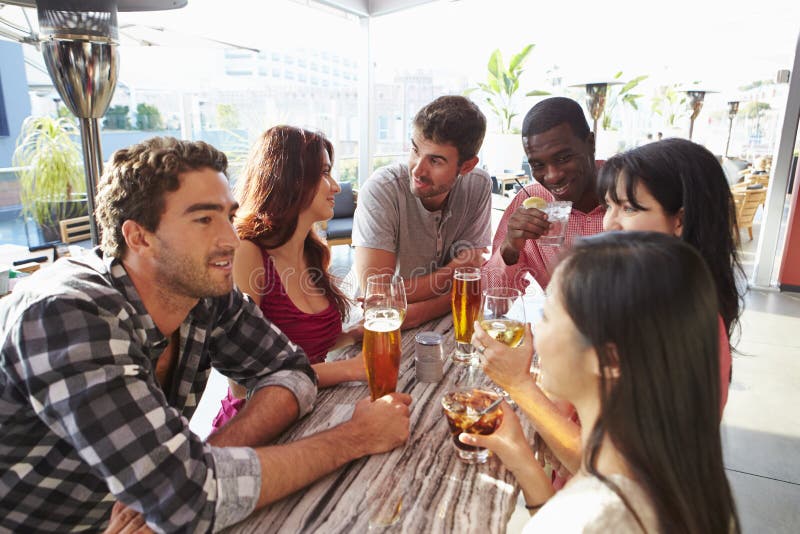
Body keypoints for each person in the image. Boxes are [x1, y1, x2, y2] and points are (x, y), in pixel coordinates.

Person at [0, 137, 411, 532]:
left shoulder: (200, 290)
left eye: (227, 216)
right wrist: (355, 437)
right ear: (138, 236)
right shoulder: (66, 314)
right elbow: (188, 500)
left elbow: (293, 370)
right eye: (203, 219)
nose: (231, 239)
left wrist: (203, 459)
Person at [478, 138, 743, 482]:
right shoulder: (646, 299)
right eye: (608, 207)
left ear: (680, 220)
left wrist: (519, 384)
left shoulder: (678, 326)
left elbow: (609, 472)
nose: (610, 224)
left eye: (629, 209)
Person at [468, 232, 740, 532]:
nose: (533, 332)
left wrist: (518, 384)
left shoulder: (594, 516)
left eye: (546, 316)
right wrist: (520, 454)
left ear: (608, 360)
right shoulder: (673, 475)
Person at [212, 126, 366, 431]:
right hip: (257, 425)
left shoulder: (312, 252)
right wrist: (350, 369)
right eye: (323, 173)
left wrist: (355, 334)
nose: (335, 186)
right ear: (289, 179)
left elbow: (302, 345)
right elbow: (246, 381)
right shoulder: (247, 254)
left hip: (311, 409)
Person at [352, 95, 492, 328]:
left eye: (435, 161)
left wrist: (418, 312)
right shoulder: (382, 190)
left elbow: (470, 278)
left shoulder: (478, 184)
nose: (417, 169)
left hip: (440, 319)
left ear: (467, 166)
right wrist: (453, 275)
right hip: (381, 325)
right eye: (415, 150)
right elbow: (377, 296)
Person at [484, 97, 605, 292]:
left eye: (564, 158)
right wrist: (509, 248)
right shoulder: (530, 203)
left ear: (590, 144)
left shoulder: (631, 194)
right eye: (538, 165)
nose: (553, 176)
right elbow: (494, 301)